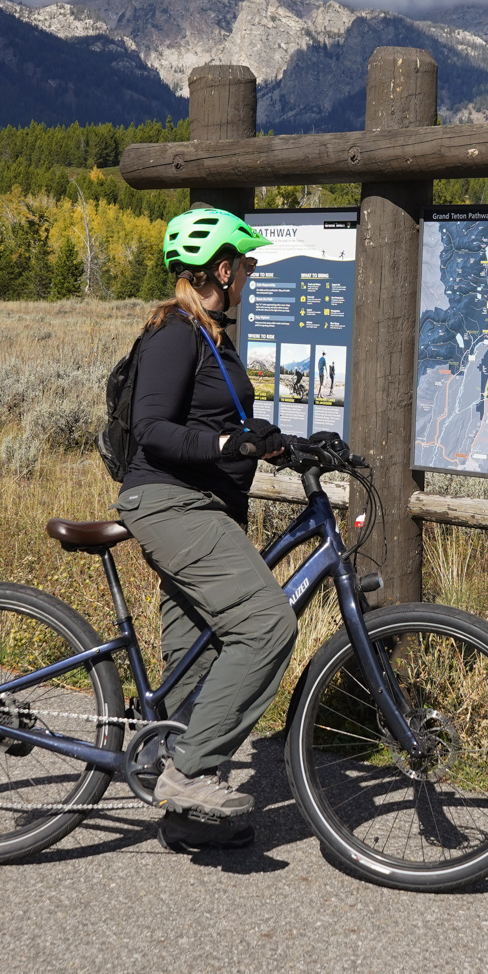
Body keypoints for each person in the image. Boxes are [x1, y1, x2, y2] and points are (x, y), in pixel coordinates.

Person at [114, 207, 296, 850]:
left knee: (203, 656)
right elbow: (153, 430)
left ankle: (188, 812)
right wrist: (227, 443)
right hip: (169, 503)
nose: (247, 276)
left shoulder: (210, 338)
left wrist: (287, 446)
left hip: (200, 506)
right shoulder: (175, 334)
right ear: (222, 269)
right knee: (267, 623)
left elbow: (225, 427)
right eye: (243, 266)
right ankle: (189, 775)